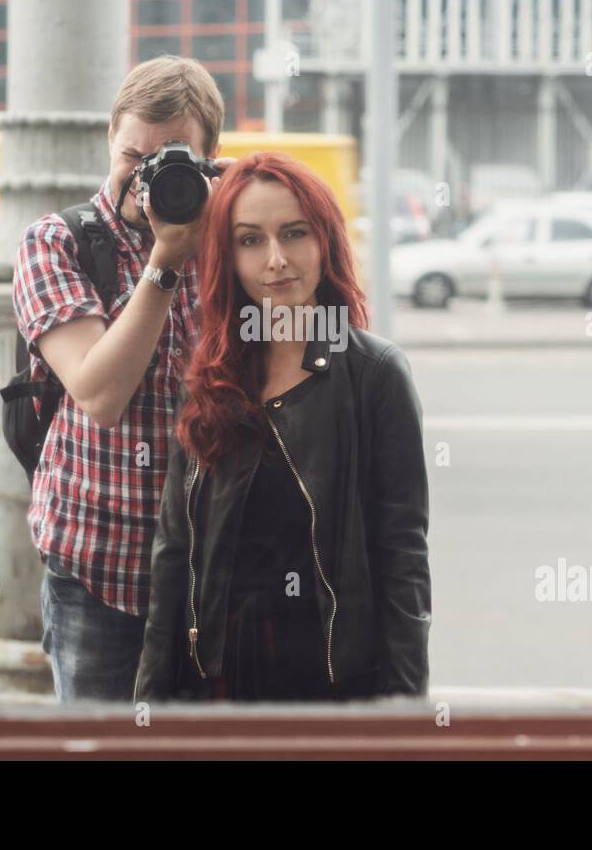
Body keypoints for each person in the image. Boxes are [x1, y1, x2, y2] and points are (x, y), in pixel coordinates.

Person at [134, 152, 432, 703]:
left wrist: (404, 704)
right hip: (216, 678)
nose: (276, 260)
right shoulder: (209, 376)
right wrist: (149, 701)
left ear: (326, 241)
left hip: (330, 680)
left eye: (294, 233)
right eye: (250, 240)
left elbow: (403, 556)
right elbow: (174, 551)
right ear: (228, 255)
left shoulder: (374, 374)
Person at [12, 55, 232, 702]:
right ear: (110, 135)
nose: (145, 178)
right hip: (98, 575)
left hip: (212, 576)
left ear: (210, 155)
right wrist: (165, 262)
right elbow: (99, 393)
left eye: (170, 161)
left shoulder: (231, 242)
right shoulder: (57, 243)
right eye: (133, 155)